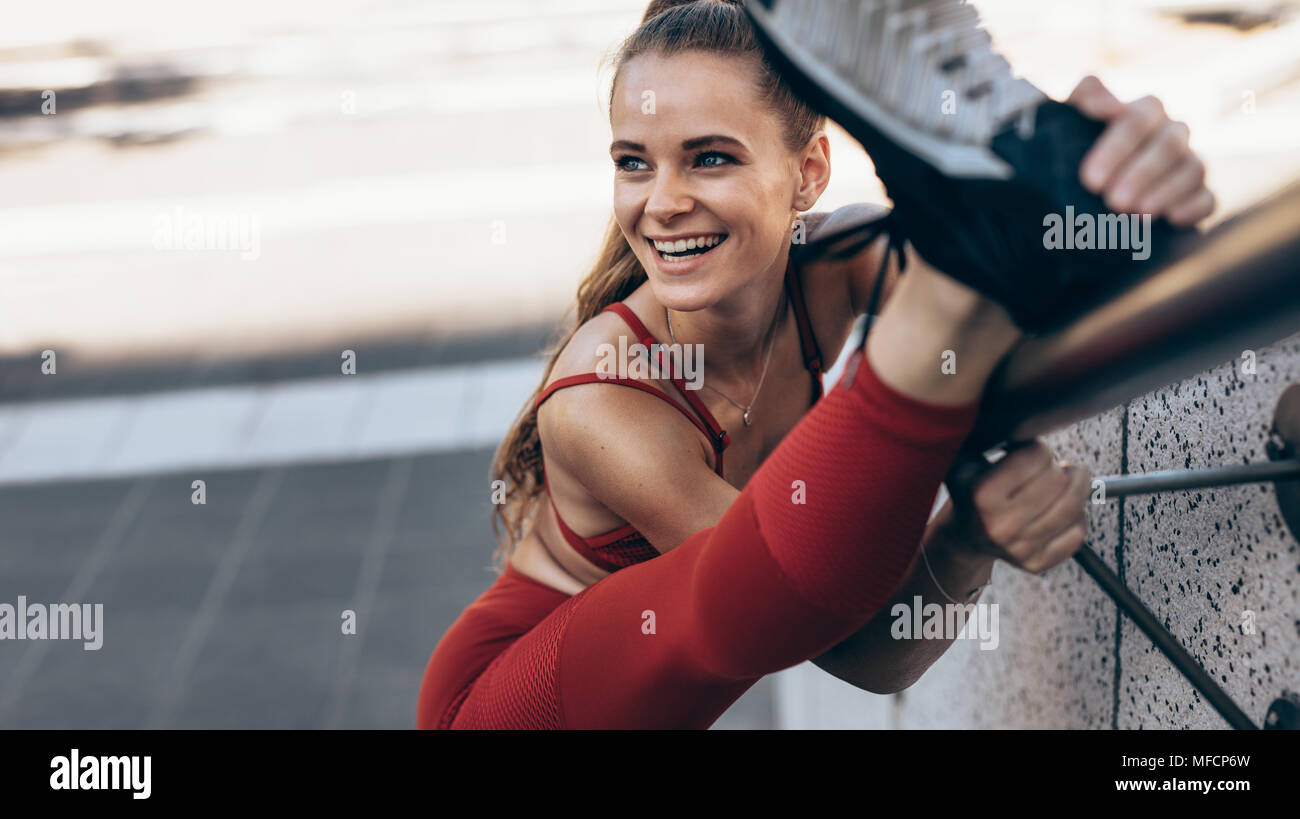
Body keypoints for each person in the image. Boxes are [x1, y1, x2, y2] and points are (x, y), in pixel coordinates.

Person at [416, 0, 1214, 729]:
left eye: (710, 158)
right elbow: (855, 649)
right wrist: (960, 530)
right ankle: (956, 269)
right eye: (634, 162)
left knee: (1013, 254)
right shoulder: (605, 399)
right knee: (712, 600)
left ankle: (987, 209)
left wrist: (1122, 191)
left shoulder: (837, 261)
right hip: (505, 696)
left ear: (808, 175)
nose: (660, 202)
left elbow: (1046, 307)